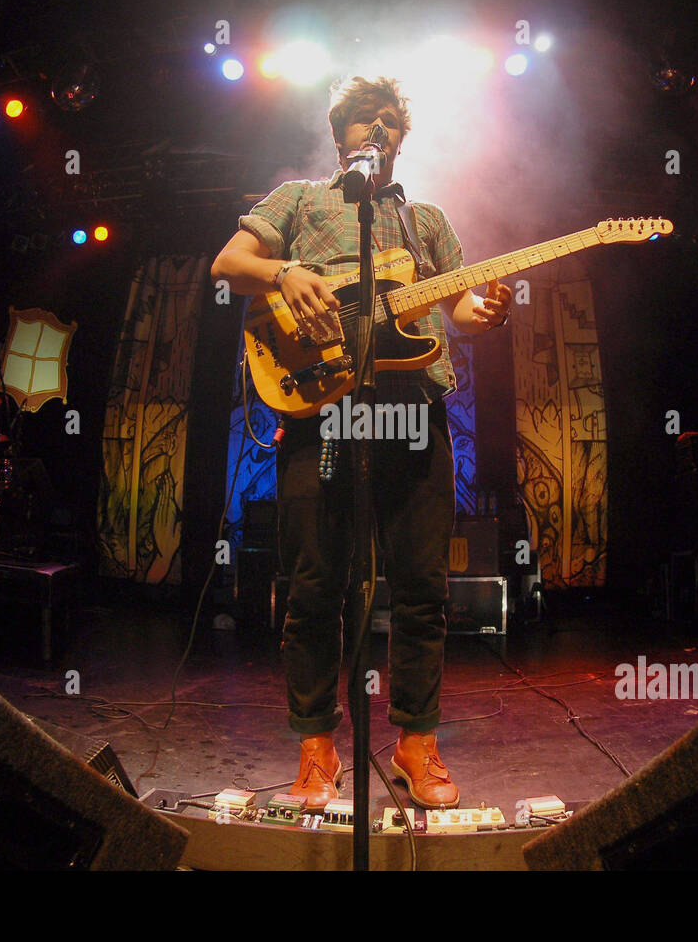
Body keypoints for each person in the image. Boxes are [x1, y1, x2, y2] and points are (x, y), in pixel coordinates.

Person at [210, 76, 512, 810]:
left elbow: (460, 309)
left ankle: (416, 742)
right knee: (315, 584)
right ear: (341, 133)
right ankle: (316, 747)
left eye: (389, 124)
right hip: (321, 408)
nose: (377, 132)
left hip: (411, 411)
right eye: (363, 122)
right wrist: (286, 271)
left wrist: (487, 309)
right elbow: (227, 266)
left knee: (421, 587)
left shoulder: (425, 222)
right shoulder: (301, 199)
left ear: (402, 140)